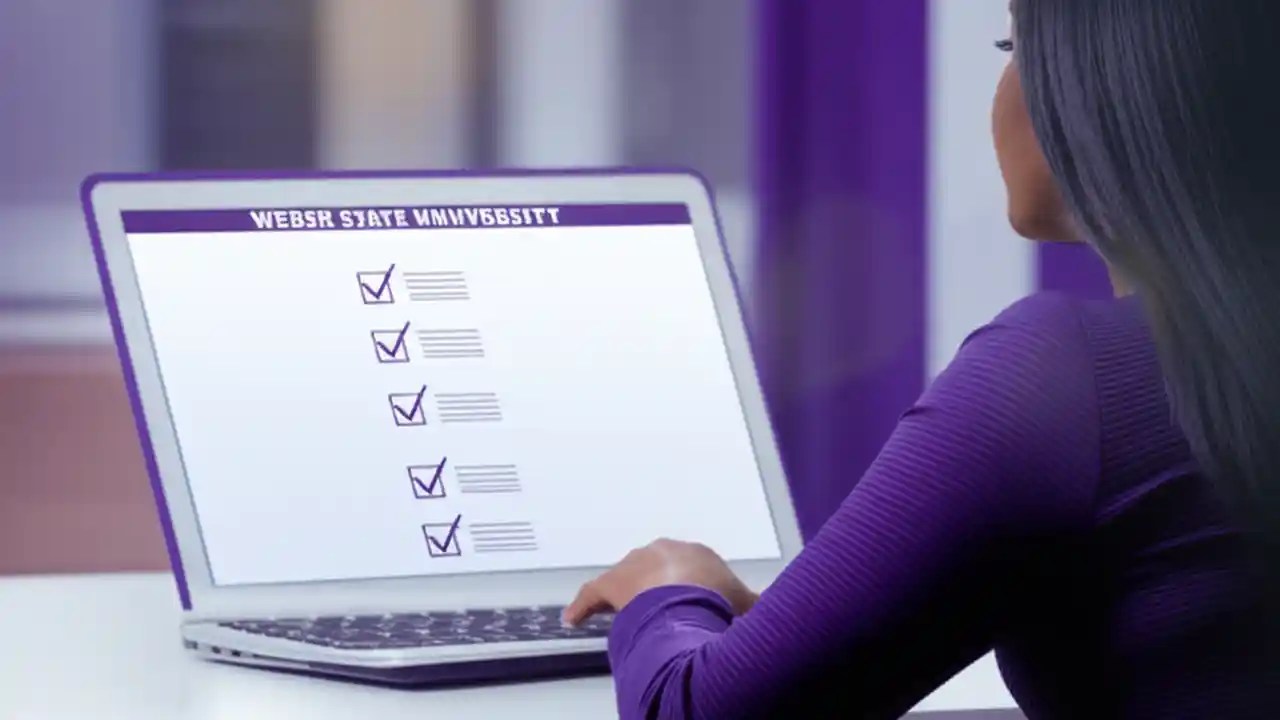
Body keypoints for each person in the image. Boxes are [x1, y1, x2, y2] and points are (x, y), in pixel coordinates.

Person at [563, 1, 1280, 717]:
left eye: (1012, 46)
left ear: (1110, 81)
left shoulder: (1064, 381)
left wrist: (669, 590)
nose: (1004, 88)